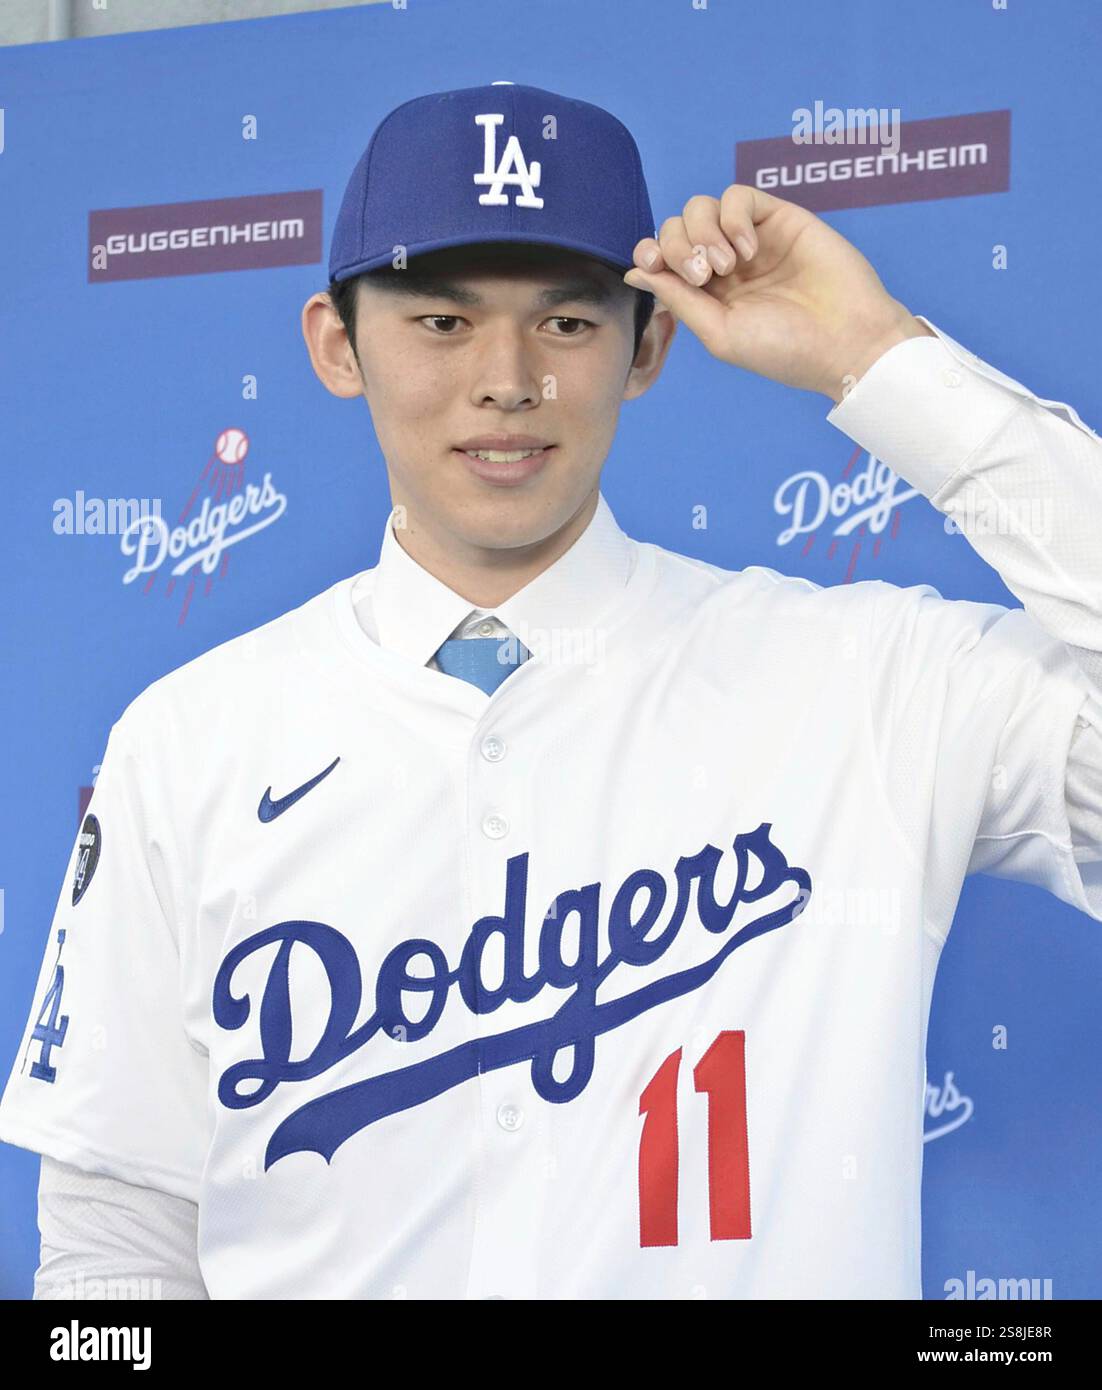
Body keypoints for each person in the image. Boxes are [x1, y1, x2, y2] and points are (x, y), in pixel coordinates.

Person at [2, 82, 1100, 1301]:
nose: (508, 380)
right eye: (440, 321)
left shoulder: (868, 680)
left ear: (650, 346)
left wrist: (876, 357)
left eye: (568, 323)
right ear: (334, 343)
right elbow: (116, 1247)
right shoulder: (187, 740)